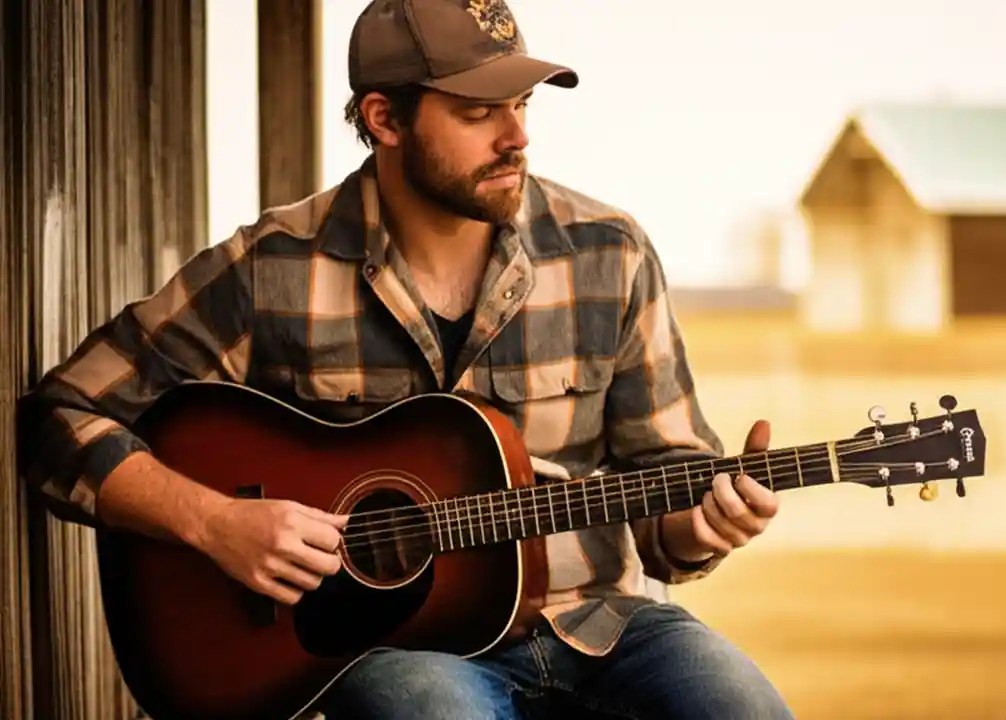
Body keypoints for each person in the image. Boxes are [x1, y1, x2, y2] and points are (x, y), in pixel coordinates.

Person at [18, 0, 794, 718]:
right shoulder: (273, 267)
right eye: (477, 112)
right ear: (384, 118)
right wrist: (218, 523)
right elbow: (63, 416)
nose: (516, 136)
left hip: (603, 624)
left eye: (522, 106)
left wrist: (704, 525)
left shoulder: (607, 253)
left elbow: (668, 512)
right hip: (399, 649)